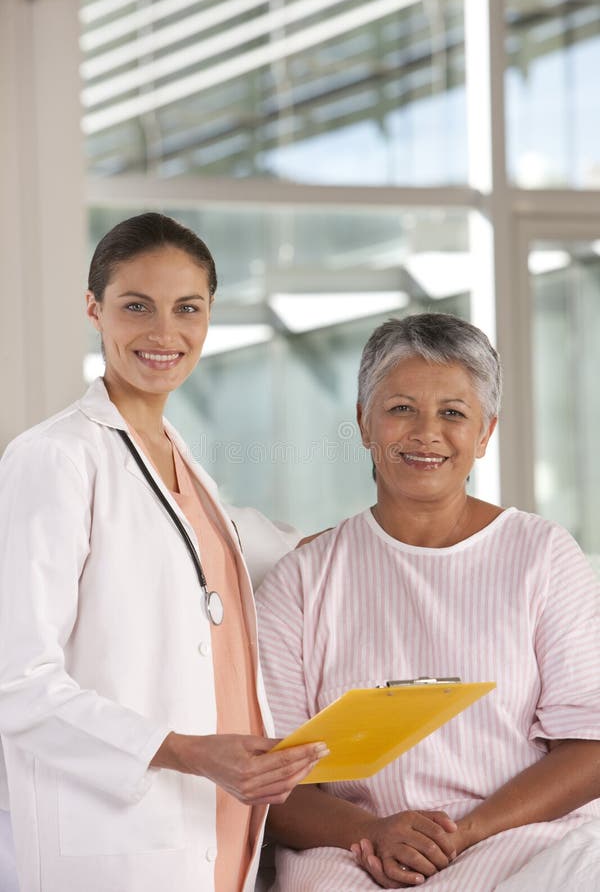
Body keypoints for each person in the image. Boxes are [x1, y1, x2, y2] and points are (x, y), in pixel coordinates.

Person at [0, 213, 328, 892]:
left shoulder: (185, 470)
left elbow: (287, 548)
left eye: (187, 308)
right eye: (136, 306)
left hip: (214, 830)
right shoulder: (54, 458)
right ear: (94, 309)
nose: (163, 332)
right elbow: (18, 682)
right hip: (114, 842)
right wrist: (184, 752)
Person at [256, 312, 600, 891]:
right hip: (354, 849)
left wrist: (464, 832)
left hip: (521, 838)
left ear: (486, 432)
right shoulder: (300, 582)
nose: (426, 433)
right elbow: (273, 784)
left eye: (453, 413)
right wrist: (377, 833)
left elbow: (591, 745)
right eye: (400, 409)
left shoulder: (542, 555)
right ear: (364, 422)